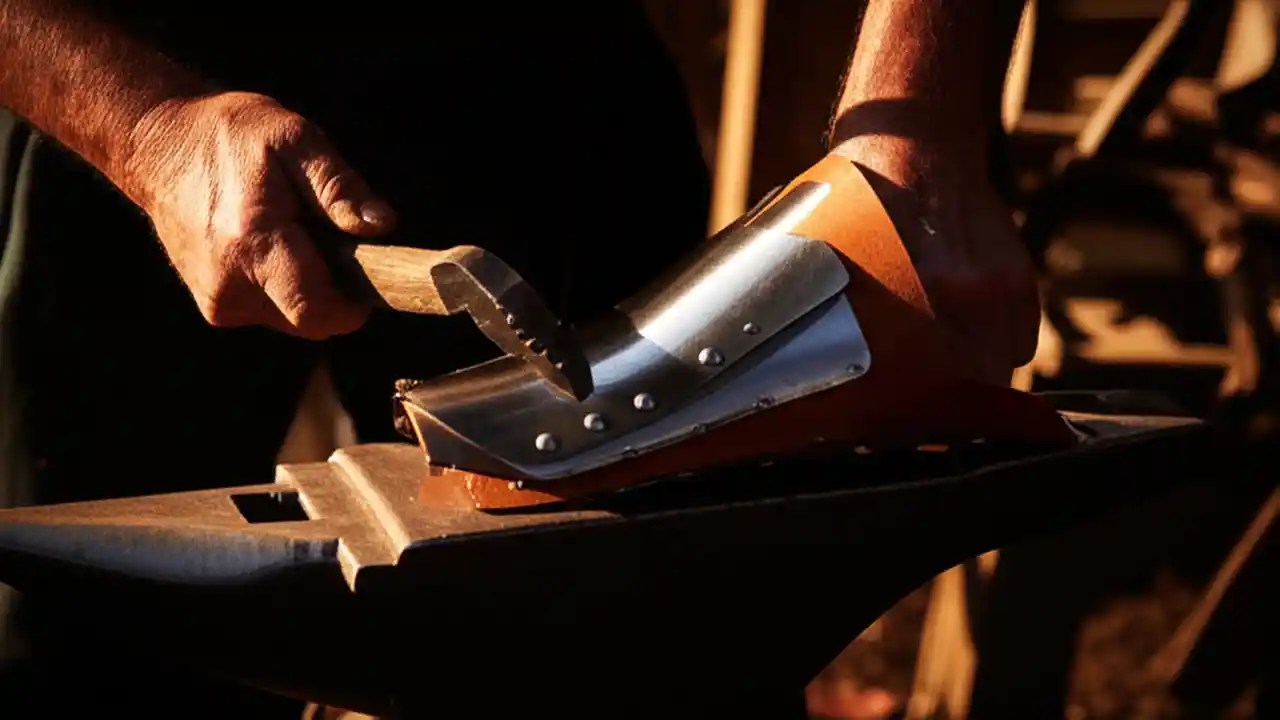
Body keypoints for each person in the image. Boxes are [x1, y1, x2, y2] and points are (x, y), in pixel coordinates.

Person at [0, 0, 1034, 716]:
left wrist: (921, 121)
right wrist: (148, 130)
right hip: (114, 72)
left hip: (545, 87)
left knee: (638, 653)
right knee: (97, 658)